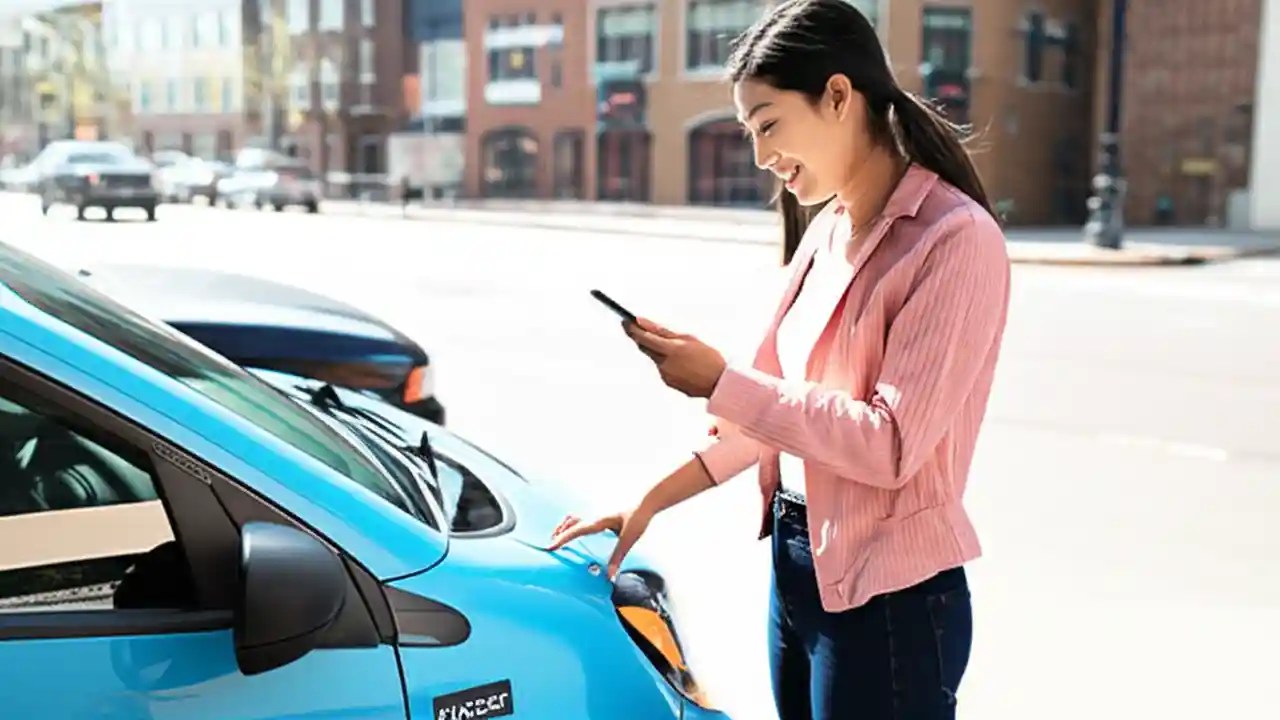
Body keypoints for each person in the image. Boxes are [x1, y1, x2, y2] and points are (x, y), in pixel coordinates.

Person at [550, 1, 1011, 718]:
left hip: (891, 599)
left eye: (768, 125)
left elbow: (890, 444)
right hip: (797, 568)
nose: (762, 155)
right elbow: (769, 415)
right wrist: (647, 502)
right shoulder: (826, 230)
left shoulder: (954, 239)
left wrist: (721, 381)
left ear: (838, 96)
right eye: (750, 132)